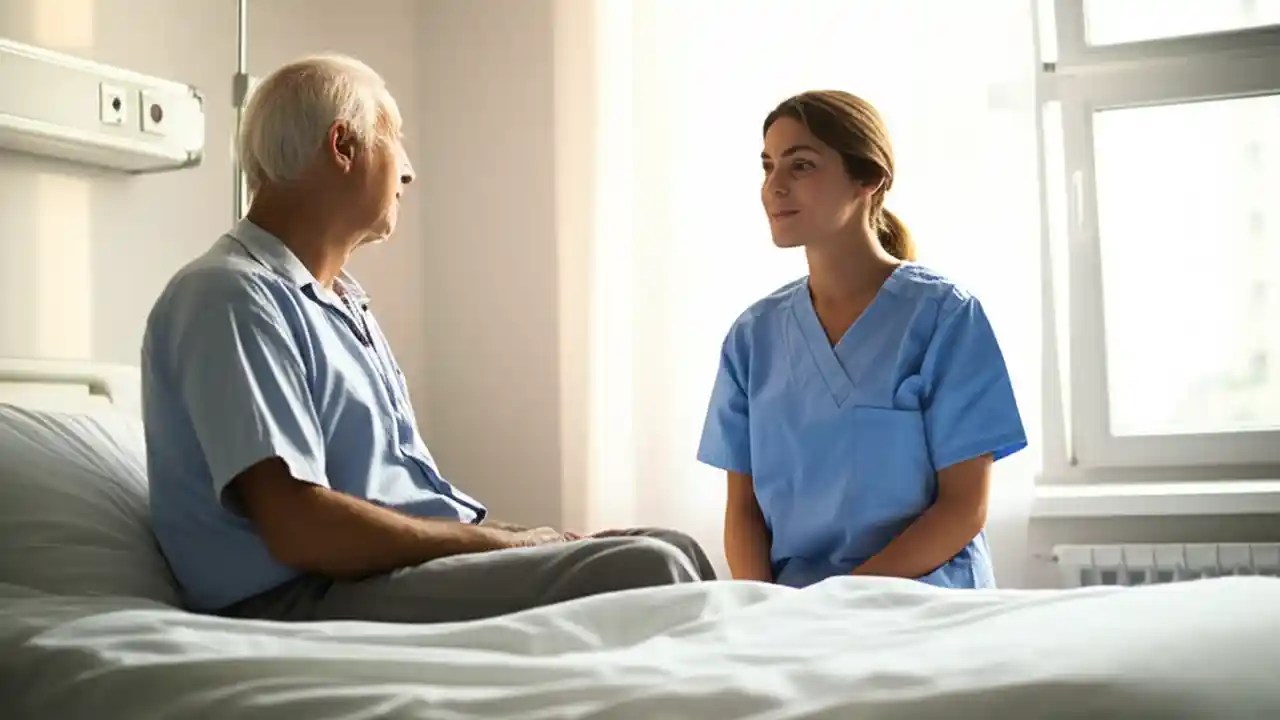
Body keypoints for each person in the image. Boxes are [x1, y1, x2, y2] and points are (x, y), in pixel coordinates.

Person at [141, 54, 714, 624]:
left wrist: (511, 538)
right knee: (650, 571)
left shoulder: (336, 300)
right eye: (394, 138)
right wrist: (504, 545)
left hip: (387, 571)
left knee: (676, 547)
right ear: (343, 146)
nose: (408, 171)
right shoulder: (229, 296)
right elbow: (300, 528)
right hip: (307, 595)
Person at [697, 90, 1027, 590]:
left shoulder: (945, 318)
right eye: (767, 167)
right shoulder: (752, 338)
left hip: (924, 602)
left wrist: (844, 602)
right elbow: (742, 511)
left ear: (869, 179)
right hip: (794, 609)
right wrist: (764, 609)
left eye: (801, 166)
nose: (774, 187)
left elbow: (964, 508)